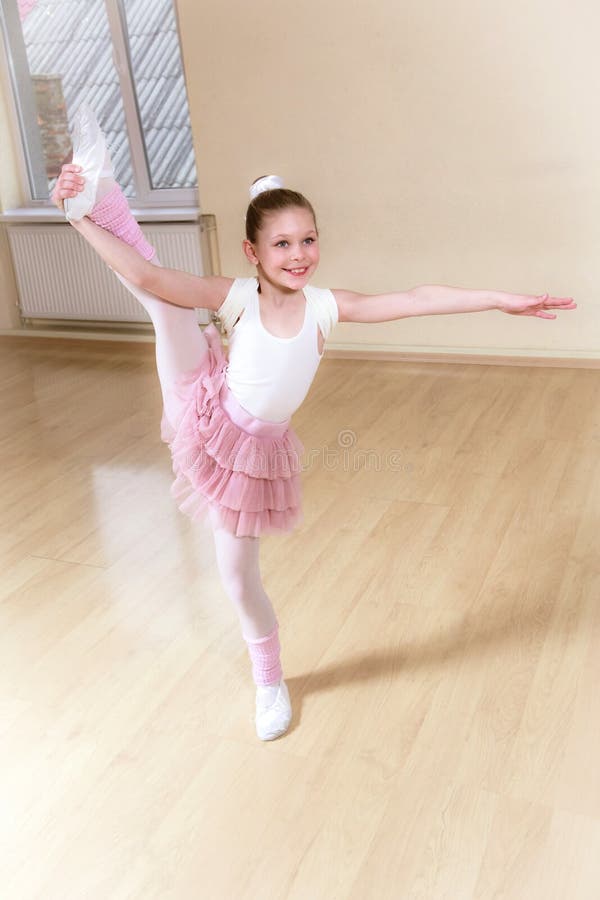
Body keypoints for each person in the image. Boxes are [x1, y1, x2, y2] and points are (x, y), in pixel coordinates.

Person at [52, 106, 577, 742]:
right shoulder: (237, 298)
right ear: (253, 252)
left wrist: (499, 300)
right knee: (166, 309)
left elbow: (415, 300)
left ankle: (270, 675)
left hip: (256, 453)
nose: (299, 256)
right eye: (281, 243)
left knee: (238, 576)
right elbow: (145, 275)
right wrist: (77, 218)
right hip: (209, 409)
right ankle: (99, 203)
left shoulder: (328, 308)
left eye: (307, 240)